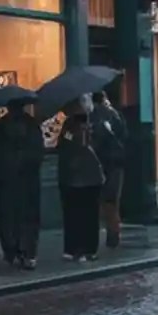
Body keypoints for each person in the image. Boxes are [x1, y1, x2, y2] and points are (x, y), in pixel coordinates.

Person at [0, 99, 45, 270]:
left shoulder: (0, 126)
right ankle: (26, 252)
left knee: (9, 218)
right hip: (25, 180)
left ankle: (13, 251)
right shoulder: (32, 126)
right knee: (26, 218)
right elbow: (38, 153)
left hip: (9, 179)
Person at [57, 94, 108, 262]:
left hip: (80, 178)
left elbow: (64, 146)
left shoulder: (90, 125)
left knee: (81, 215)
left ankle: (81, 248)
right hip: (82, 177)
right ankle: (81, 248)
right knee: (84, 215)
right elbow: (65, 145)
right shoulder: (77, 125)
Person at [91, 90, 128, 248]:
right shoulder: (116, 114)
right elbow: (124, 134)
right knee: (112, 201)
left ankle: (108, 233)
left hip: (102, 163)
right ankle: (114, 233)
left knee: (103, 201)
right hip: (117, 162)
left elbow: (96, 140)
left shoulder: (95, 116)